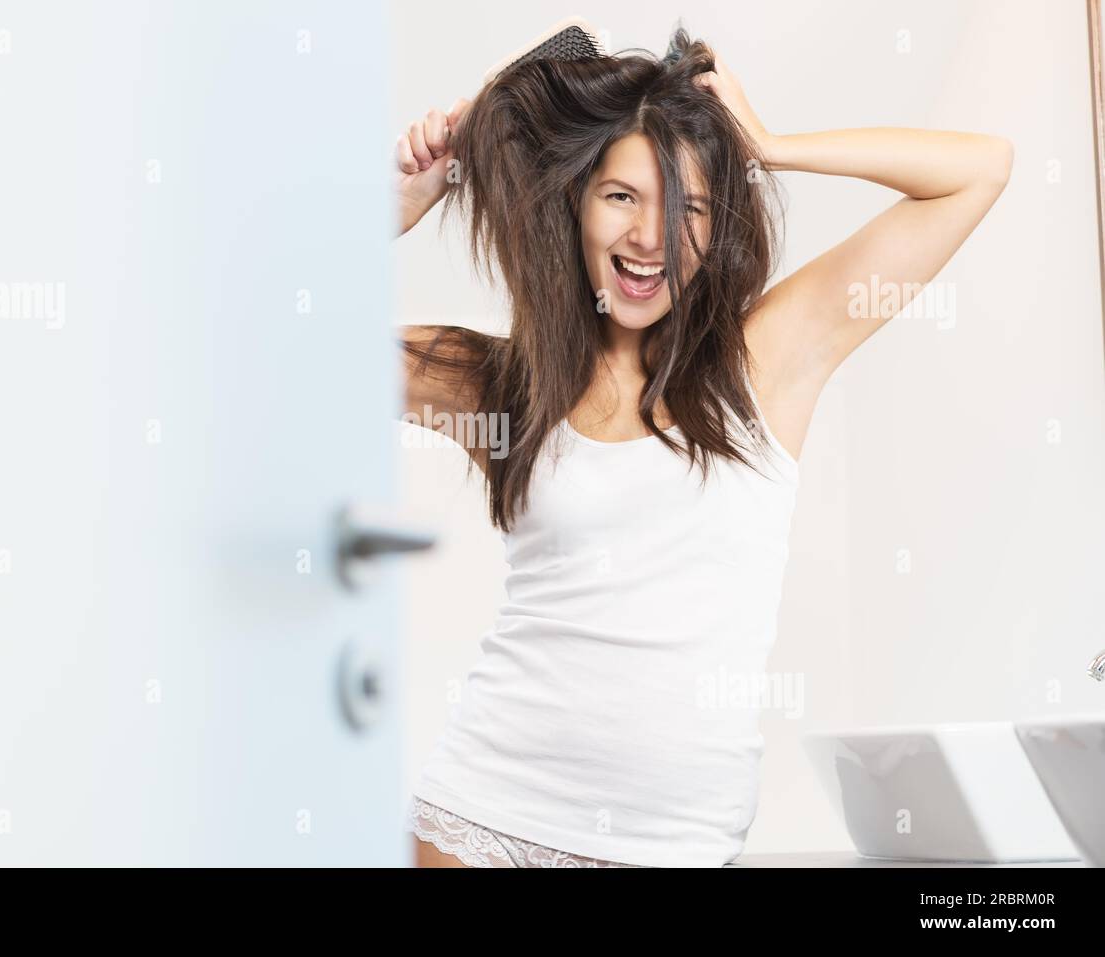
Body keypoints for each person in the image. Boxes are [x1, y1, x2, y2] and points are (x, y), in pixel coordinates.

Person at [392, 27, 1013, 868]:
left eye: (687, 205)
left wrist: (773, 148)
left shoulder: (766, 363)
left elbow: (982, 169)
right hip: (486, 816)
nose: (652, 236)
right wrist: (400, 204)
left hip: (678, 846)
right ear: (573, 203)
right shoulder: (500, 383)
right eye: (620, 196)